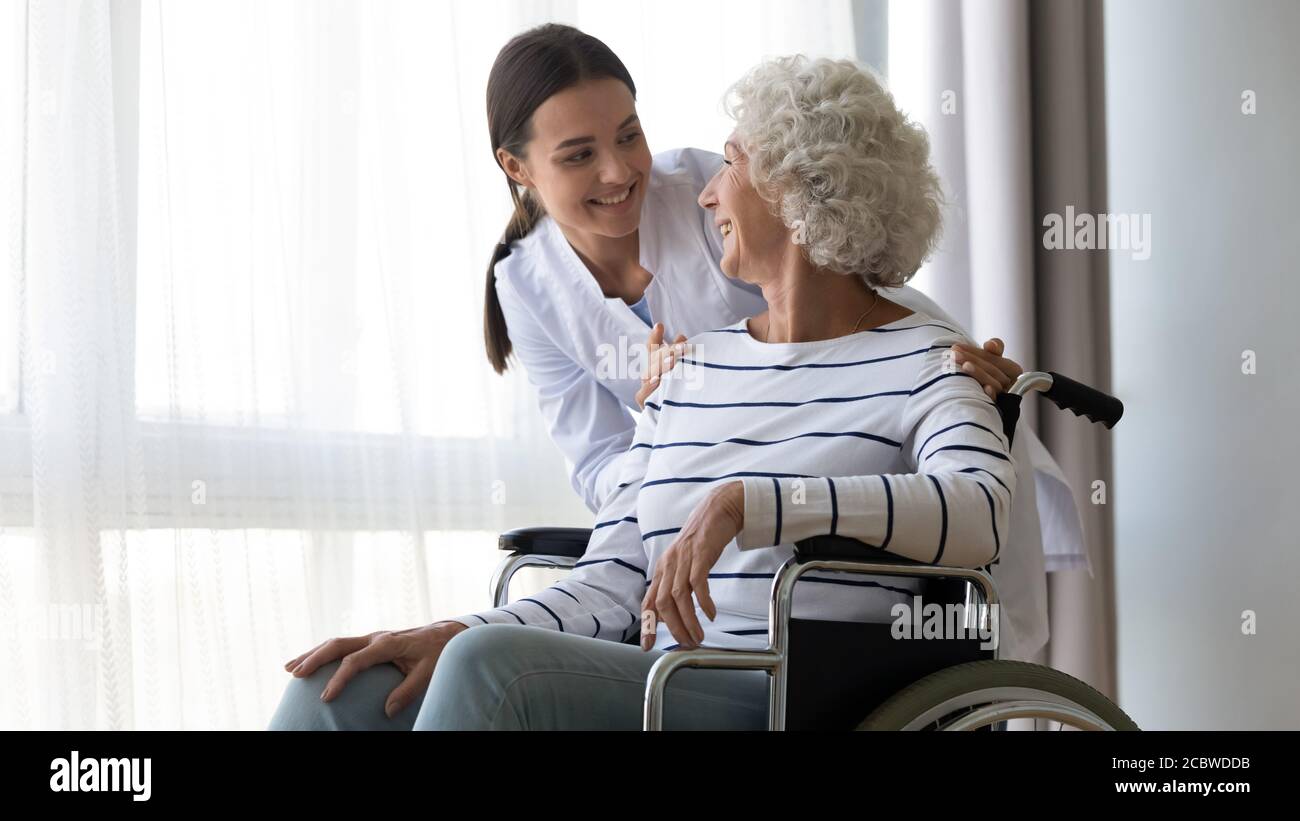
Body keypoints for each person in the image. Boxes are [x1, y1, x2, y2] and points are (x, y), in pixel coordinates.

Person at [270, 54, 1019, 731]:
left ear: (797, 190)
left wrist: (749, 501)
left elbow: (980, 509)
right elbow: (610, 581)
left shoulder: (931, 361)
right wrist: (461, 628)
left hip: (794, 688)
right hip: (664, 678)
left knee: (487, 669)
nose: (704, 194)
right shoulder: (684, 374)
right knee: (338, 692)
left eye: (728, 164)